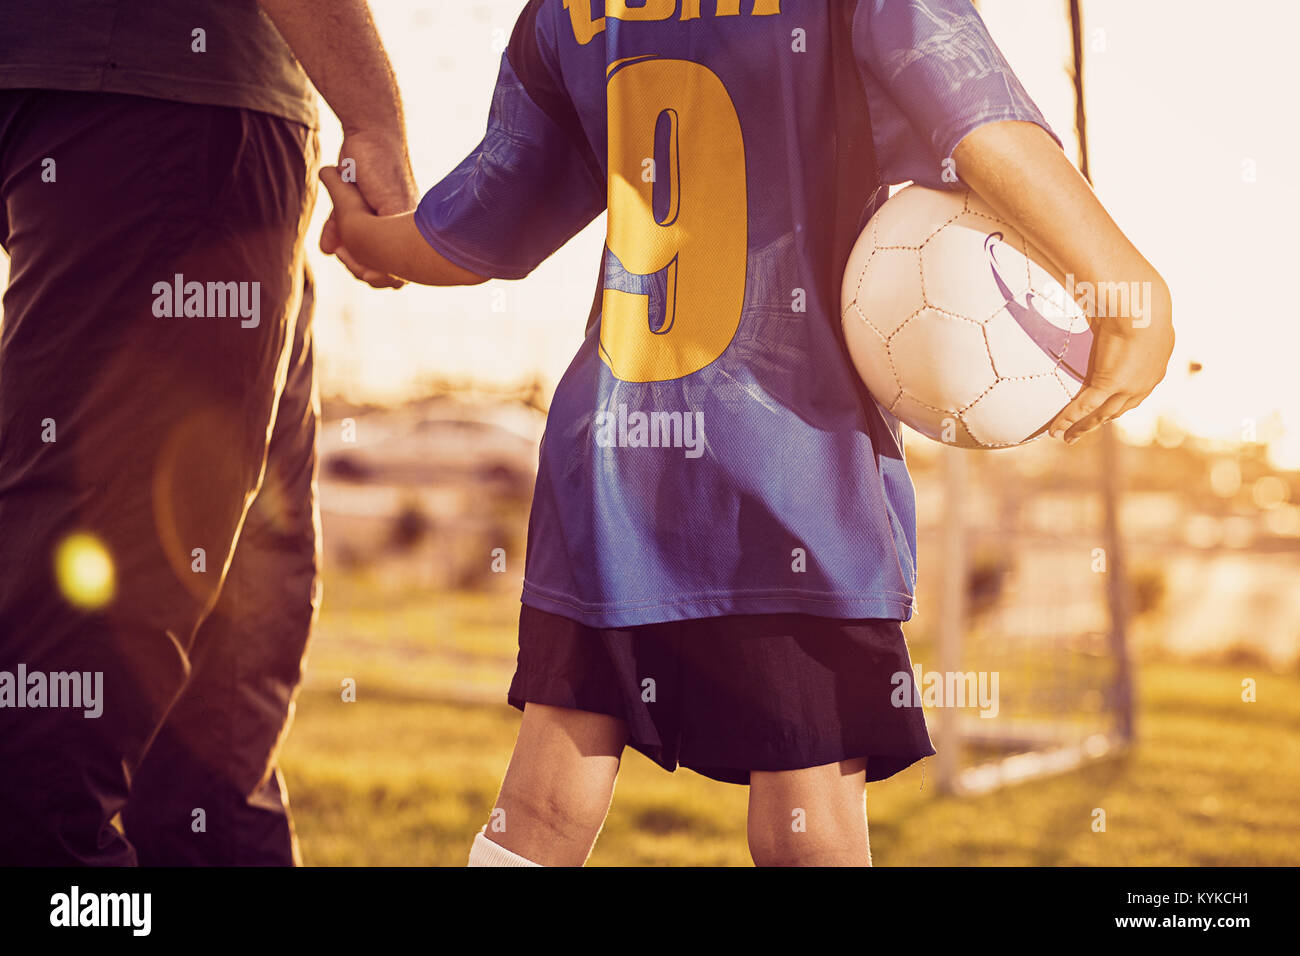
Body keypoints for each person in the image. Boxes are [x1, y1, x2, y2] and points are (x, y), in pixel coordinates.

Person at [318, 0, 1174, 866]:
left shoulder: (566, 12)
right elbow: (978, 116)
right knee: (811, 826)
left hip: (612, 454)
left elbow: (482, 227)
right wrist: (1122, 281)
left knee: (542, 800)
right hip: (792, 468)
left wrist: (368, 237)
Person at [0, 0, 414, 865]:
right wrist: (371, 115)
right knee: (124, 745)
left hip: (174, 131)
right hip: (166, 131)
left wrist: (366, 114)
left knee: (133, 734)